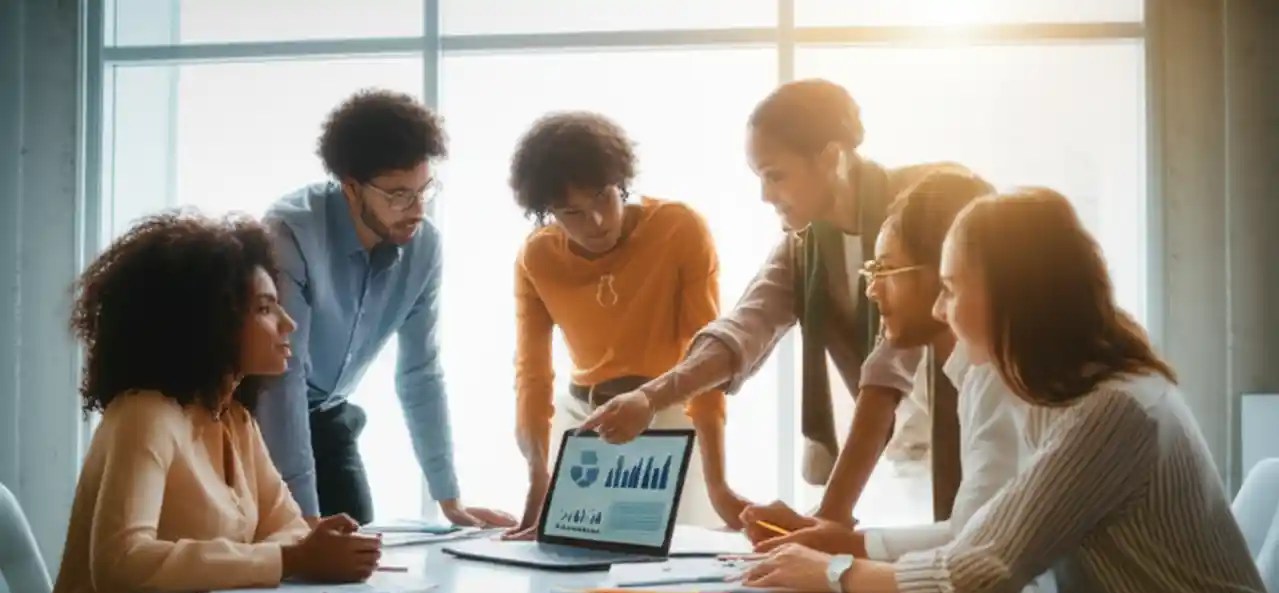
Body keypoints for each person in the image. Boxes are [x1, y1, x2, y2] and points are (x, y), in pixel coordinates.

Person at [742, 188, 1279, 593]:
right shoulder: (1061, 390)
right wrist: (841, 554)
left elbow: (975, 577)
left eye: (950, 288)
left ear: (1012, 293)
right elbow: (983, 538)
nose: (938, 306)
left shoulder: (1112, 410)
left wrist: (834, 569)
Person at [24, 212, 431, 593]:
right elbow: (121, 562)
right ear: (208, 321)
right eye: (265, 309)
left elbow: (283, 528)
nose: (289, 323)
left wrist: (314, 541)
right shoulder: (144, 413)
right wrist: (294, 560)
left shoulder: (234, 419)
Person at [582, 79, 967, 540]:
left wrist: (830, 520)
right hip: (901, 452)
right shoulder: (802, 247)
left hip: (972, 430)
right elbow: (743, 327)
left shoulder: (918, 210)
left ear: (829, 157)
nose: (765, 195)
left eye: (775, 174)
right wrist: (649, 397)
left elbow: (886, 371)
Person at [257, 89, 514, 528]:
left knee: (361, 548)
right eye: (398, 195)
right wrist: (305, 520)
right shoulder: (290, 233)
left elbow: (421, 371)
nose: (416, 210)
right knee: (294, 555)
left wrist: (449, 500)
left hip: (330, 415)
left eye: (423, 190)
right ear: (351, 188)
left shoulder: (424, 246)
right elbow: (284, 375)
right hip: (263, 412)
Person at [504, 111, 730, 538]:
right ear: (546, 211)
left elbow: (709, 355)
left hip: (669, 413)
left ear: (621, 182)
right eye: (572, 212)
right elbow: (532, 375)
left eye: (603, 198)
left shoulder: (678, 228)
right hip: (585, 420)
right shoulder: (537, 257)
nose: (597, 223)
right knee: (571, 558)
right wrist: (538, 472)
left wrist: (717, 483)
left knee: (678, 562)